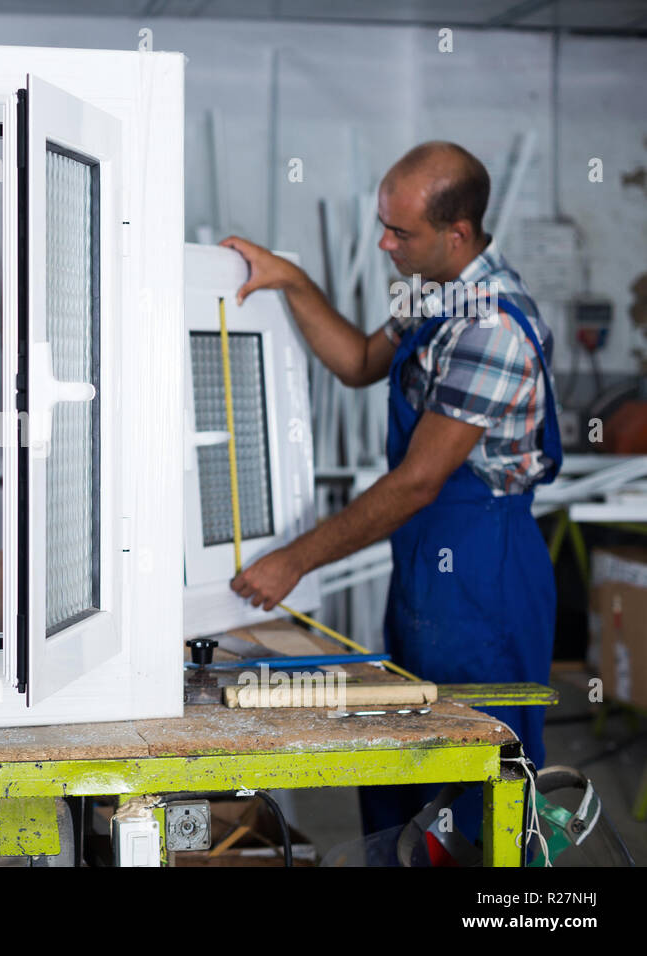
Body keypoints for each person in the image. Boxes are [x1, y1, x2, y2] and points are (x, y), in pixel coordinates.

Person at [220, 141, 563, 849]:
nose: (383, 242)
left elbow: (418, 482)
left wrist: (295, 560)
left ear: (457, 233)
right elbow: (357, 362)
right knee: (403, 758)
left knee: (473, 780)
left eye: (400, 231)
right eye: (382, 223)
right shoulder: (436, 293)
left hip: (482, 576)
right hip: (427, 572)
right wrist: (294, 281)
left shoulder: (491, 329)